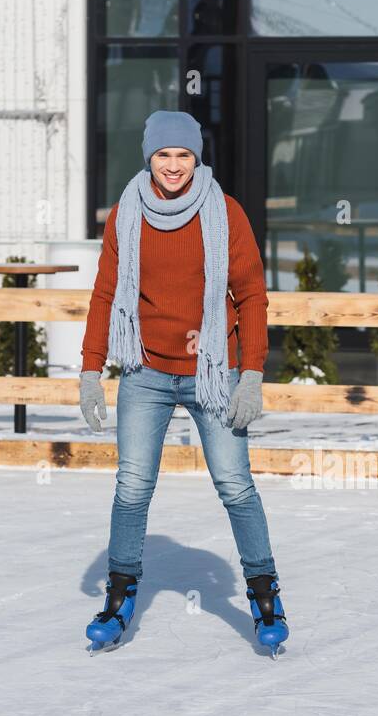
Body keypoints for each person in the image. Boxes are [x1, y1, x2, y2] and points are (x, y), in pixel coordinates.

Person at [78, 110, 287, 656]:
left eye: (184, 155)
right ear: (149, 157)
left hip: (212, 372)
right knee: (132, 486)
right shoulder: (126, 214)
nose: (173, 166)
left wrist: (251, 373)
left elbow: (252, 295)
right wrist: (90, 370)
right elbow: (105, 294)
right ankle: (119, 596)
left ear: (197, 158)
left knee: (235, 484)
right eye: (164, 155)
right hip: (145, 371)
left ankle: (265, 594)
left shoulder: (225, 213)